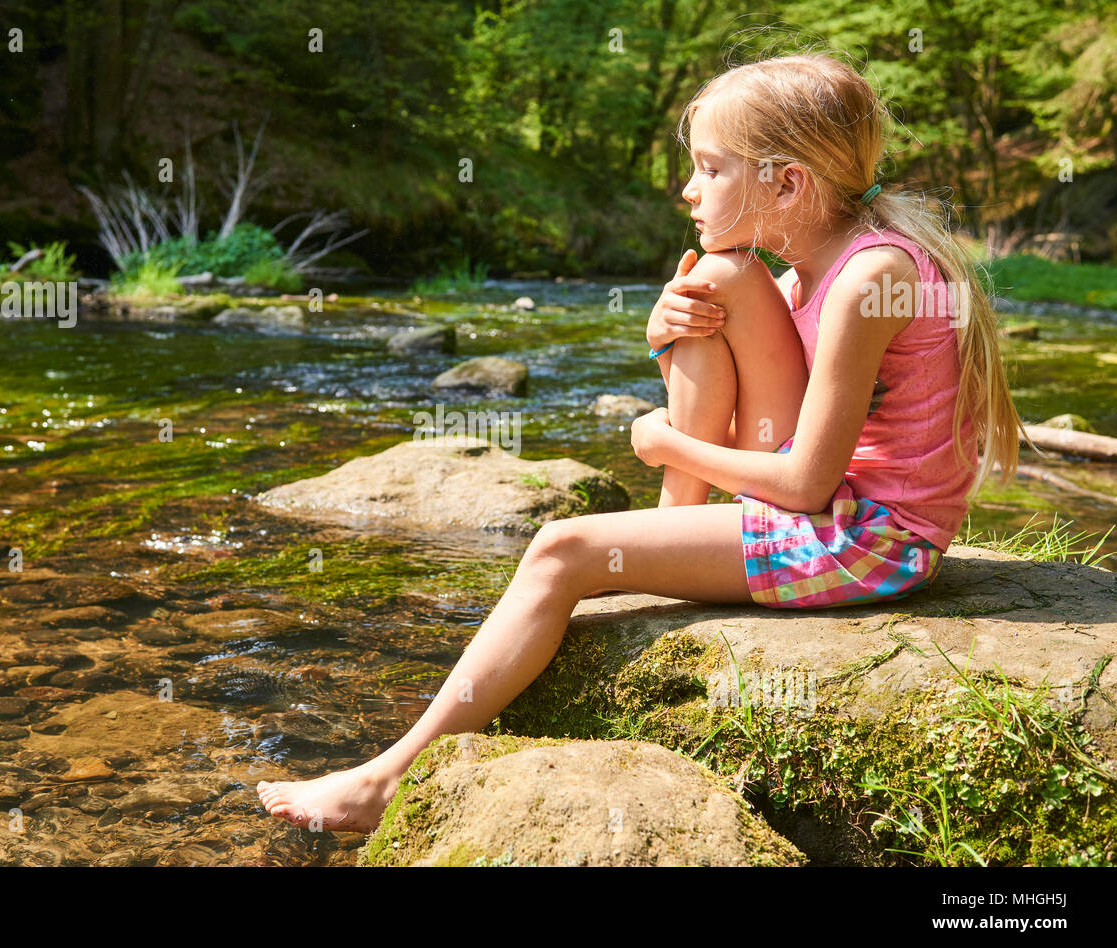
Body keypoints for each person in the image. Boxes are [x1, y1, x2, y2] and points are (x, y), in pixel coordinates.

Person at [256, 52, 1027, 833]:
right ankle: (663, 533)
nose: (688, 190)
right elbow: (766, 432)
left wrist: (664, 443)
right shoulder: (799, 274)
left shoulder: (871, 277)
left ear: (787, 184)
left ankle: (390, 777)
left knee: (561, 549)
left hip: (872, 539)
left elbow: (802, 484)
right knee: (711, 286)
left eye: (709, 169)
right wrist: (667, 344)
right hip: (835, 508)